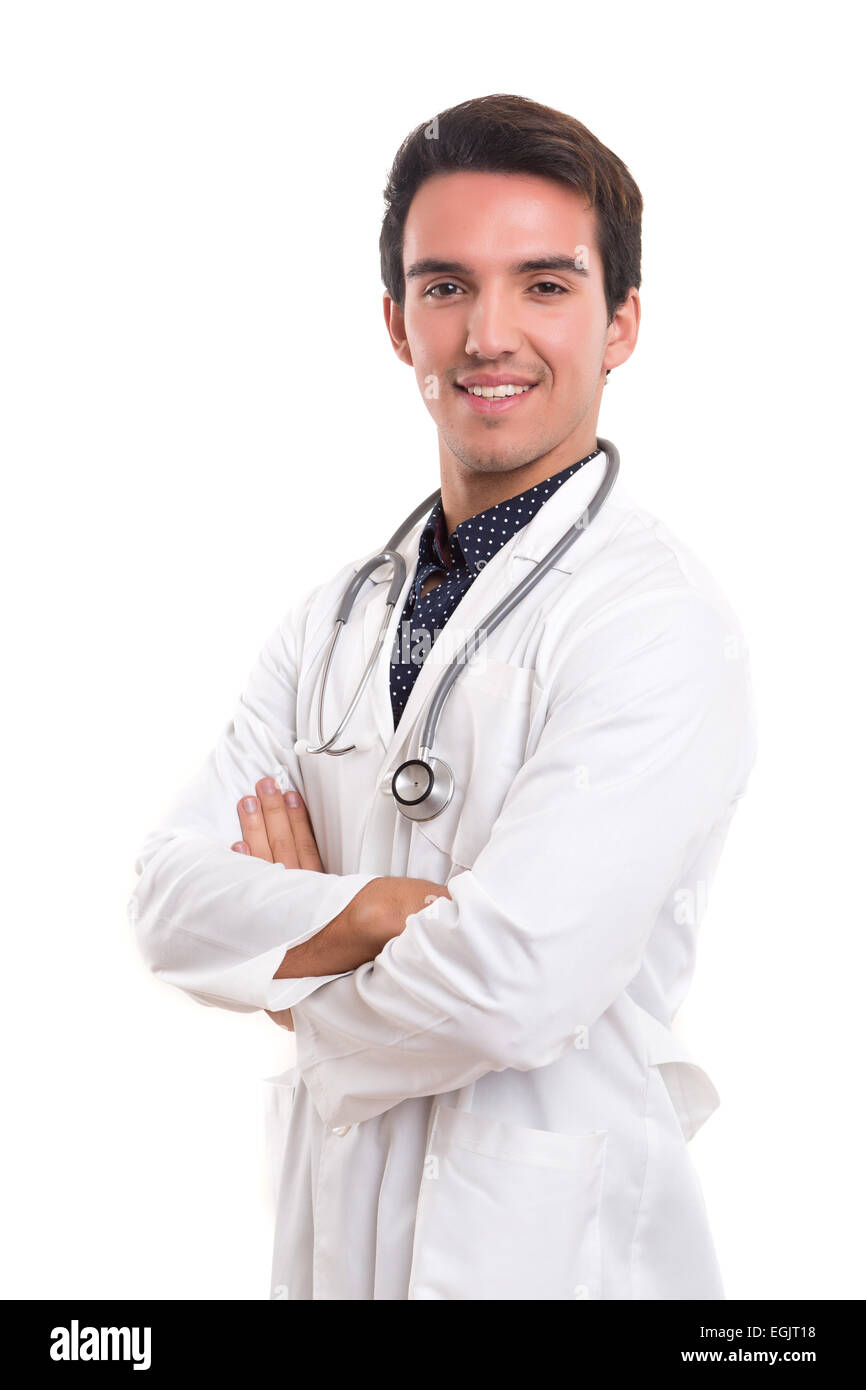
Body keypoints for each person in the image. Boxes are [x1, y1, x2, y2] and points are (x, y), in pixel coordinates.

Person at [129, 92, 758, 1300]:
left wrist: (291, 978)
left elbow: (508, 986)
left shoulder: (654, 624)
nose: (488, 334)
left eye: (544, 284)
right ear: (394, 320)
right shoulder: (328, 621)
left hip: (559, 1258)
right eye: (445, 285)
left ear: (620, 322)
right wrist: (370, 910)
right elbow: (166, 898)